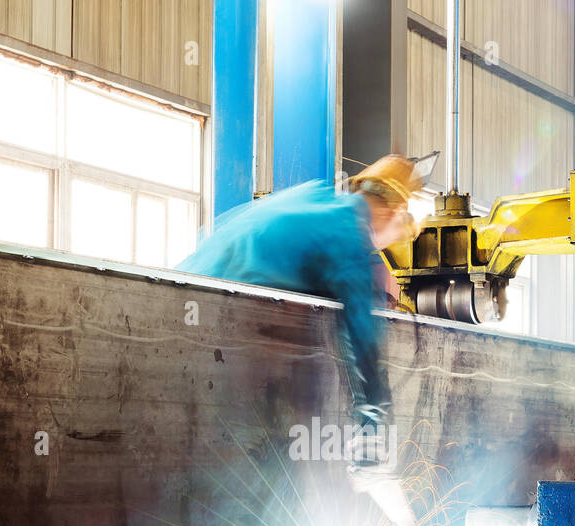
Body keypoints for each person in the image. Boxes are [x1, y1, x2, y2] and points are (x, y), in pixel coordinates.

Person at [177, 155, 429, 468]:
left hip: (178, 300)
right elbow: (362, 340)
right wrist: (371, 429)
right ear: (394, 212)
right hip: (215, 330)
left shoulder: (312, 196)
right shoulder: (349, 238)